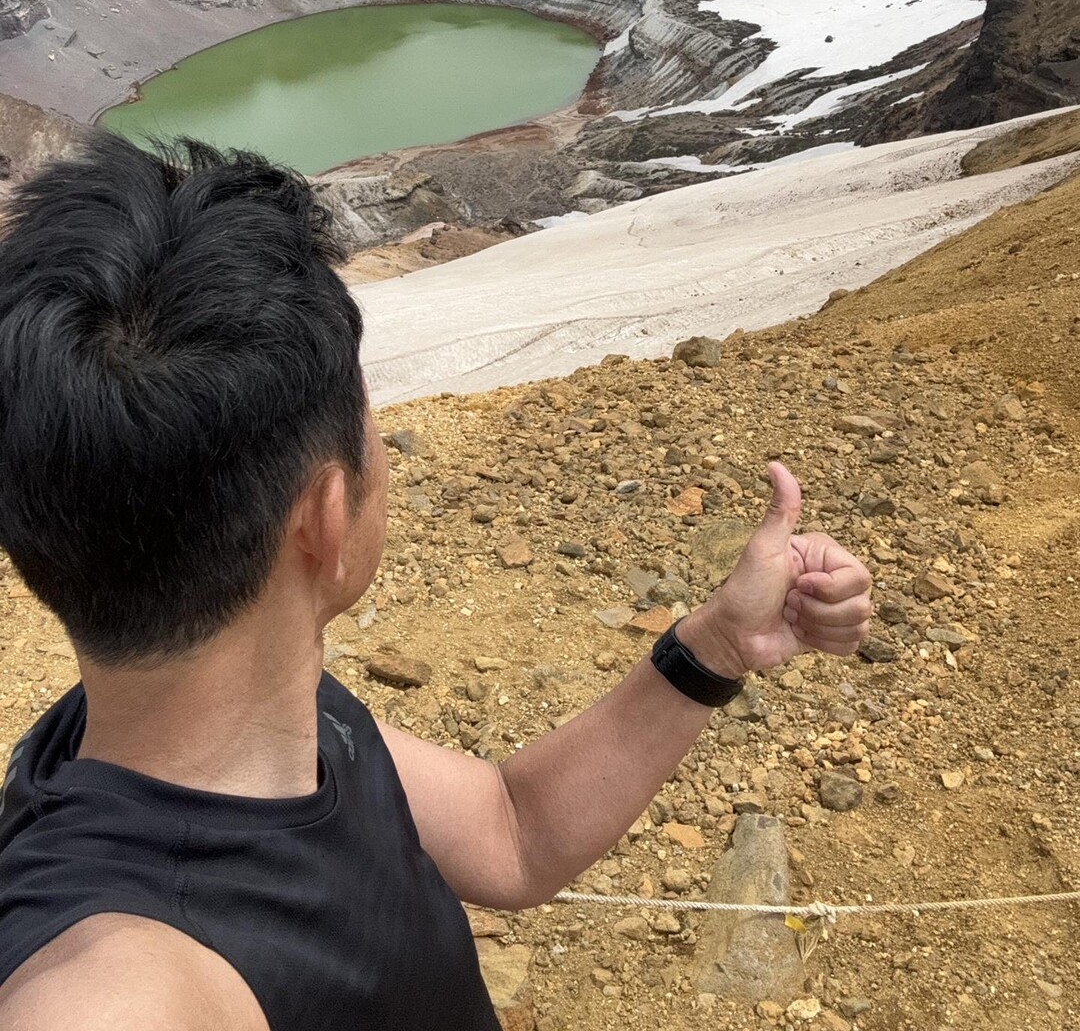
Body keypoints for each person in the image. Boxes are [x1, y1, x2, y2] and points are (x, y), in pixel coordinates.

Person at [0, 136, 872, 1030]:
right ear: (325, 520)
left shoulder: (235, 714)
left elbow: (511, 833)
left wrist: (715, 645)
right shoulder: (122, 977)